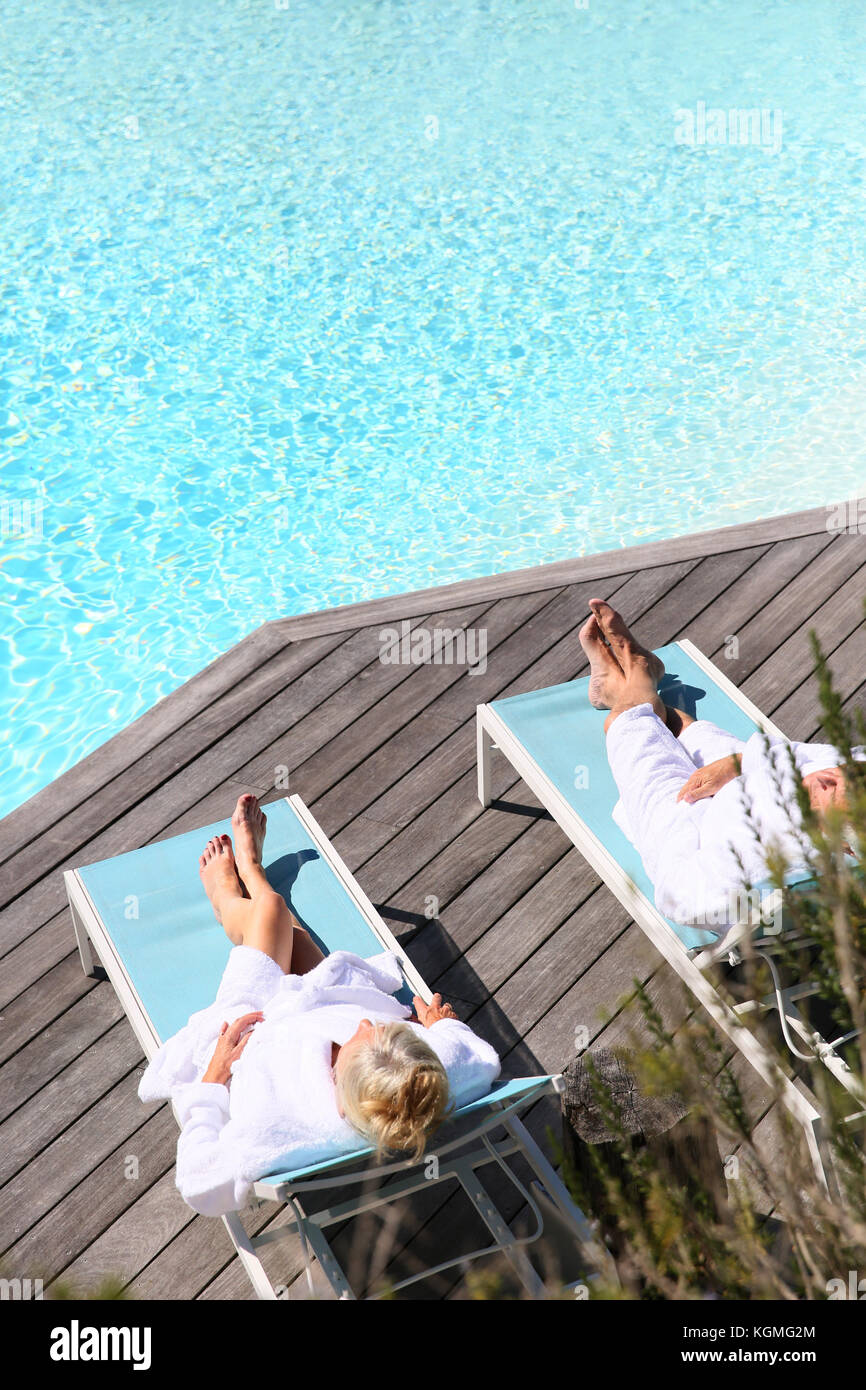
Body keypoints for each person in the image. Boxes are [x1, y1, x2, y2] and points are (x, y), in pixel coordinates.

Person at [137, 794, 500, 1216]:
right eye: (388, 1029)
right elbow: (476, 1057)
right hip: (315, 1005)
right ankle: (255, 882)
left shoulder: (277, 1128)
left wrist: (212, 1083)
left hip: (253, 1025)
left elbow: (200, 1183)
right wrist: (443, 1028)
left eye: (362, 1039)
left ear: (343, 1097)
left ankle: (232, 892)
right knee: (296, 939)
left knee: (271, 912)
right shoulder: (434, 1083)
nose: (366, 1023)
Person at [577, 598, 864, 931]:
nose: (833, 775)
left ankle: (634, 677)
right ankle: (633, 679)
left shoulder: (762, 872)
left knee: (628, 725)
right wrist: (739, 764)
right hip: (754, 782)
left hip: (689, 820)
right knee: (684, 729)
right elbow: (828, 760)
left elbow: (680, 894)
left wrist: (686, 806)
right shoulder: (842, 785)